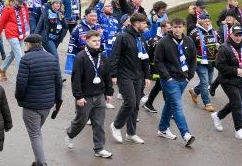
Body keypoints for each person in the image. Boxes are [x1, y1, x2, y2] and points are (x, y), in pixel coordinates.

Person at [14, 34, 62, 166]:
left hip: (31, 106)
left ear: (29, 45)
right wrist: (57, 100)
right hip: (47, 105)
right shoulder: (52, 58)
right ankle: (38, 160)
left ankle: (41, 163)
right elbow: (58, 82)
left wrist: (19, 98)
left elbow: (21, 83)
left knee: (35, 134)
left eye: (26, 44)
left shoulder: (26, 59)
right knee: (36, 132)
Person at [65, 29, 114, 158]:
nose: (97, 43)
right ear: (87, 41)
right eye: (94, 41)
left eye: (98, 40)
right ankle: (70, 134)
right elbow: (76, 79)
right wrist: (79, 96)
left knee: (99, 123)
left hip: (100, 95)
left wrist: (109, 93)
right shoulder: (80, 57)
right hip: (85, 97)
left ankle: (99, 148)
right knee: (81, 121)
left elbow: (107, 76)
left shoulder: (103, 57)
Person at [152, 18, 197, 146]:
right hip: (169, 80)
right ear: (171, 27)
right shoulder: (163, 42)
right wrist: (167, 77)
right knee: (177, 105)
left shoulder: (188, 41)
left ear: (183, 27)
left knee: (170, 103)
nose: (177, 30)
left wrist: (190, 75)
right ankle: (186, 134)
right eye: (175, 27)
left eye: (180, 27)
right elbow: (158, 61)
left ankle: (163, 129)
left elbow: (193, 58)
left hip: (184, 79)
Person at [108, 12, 149, 145]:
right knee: (130, 102)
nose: (146, 25)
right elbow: (114, 56)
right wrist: (113, 75)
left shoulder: (140, 38)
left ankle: (131, 134)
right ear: (136, 24)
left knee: (135, 105)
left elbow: (145, 58)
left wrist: (147, 76)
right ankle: (116, 125)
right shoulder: (122, 37)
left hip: (138, 76)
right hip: (124, 75)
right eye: (144, 23)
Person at [212, 25, 242, 140]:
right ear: (231, 35)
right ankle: (239, 130)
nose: (238, 37)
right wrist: (235, 71)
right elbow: (219, 65)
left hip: (239, 80)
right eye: (235, 35)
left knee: (236, 102)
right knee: (237, 104)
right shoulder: (224, 48)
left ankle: (218, 116)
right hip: (226, 80)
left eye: (240, 35)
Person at [0, 0, 30, 82]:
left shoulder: (24, 7)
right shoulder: (8, 9)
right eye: (19, 2)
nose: (21, 3)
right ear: (15, 0)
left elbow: (26, 20)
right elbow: (1, 24)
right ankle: (21, 77)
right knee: (19, 54)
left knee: (13, 53)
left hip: (21, 34)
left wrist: (27, 31)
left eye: (22, 1)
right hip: (11, 34)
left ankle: (2, 68)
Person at [189, 11, 219, 112]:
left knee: (208, 82)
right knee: (205, 82)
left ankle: (194, 91)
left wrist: (218, 45)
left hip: (211, 61)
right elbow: (189, 47)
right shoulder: (194, 32)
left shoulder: (213, 31)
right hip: (200, 62)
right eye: (205, 21)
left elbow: (219, 41)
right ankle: (207, 103)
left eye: (208, 20)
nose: (207, 22)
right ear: (200, 21)